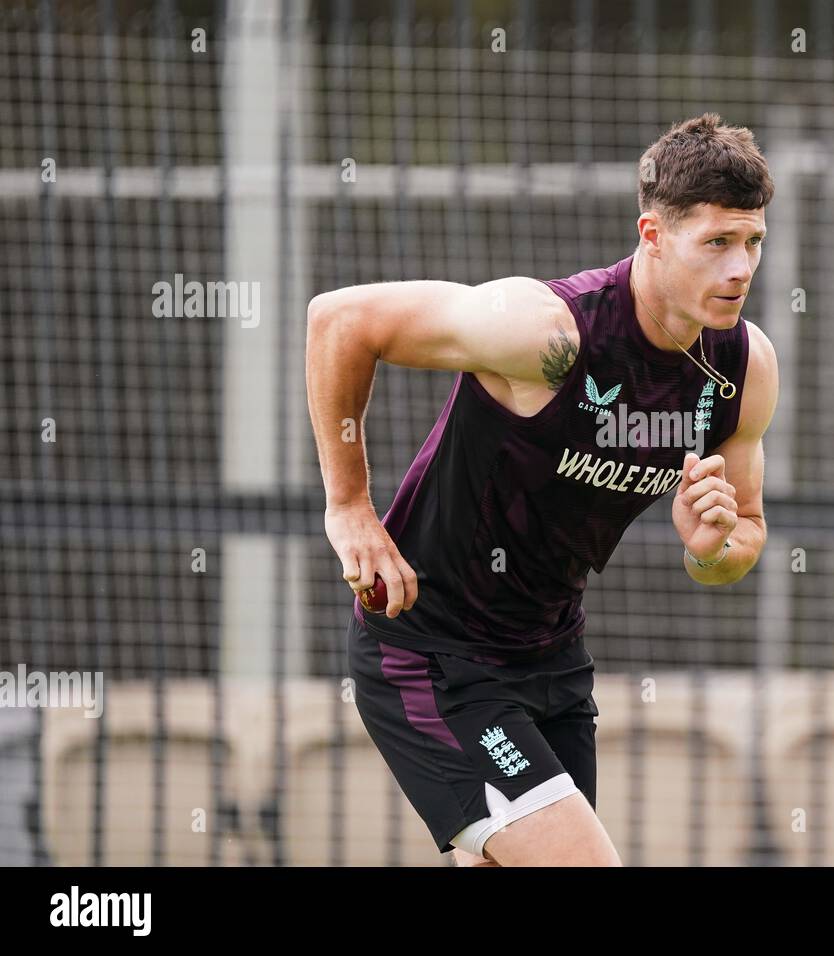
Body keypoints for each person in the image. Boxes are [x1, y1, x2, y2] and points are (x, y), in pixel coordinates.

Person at [305, 113, 779, 866]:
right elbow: (340, 321)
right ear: (652, 237)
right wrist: (350, 506)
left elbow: (742, 536)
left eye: (752, 241)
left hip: (554, 661)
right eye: (716, 242)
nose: (740, 267)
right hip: (434, 653)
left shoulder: (744, 366)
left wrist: (711, 550)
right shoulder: (548, 335)